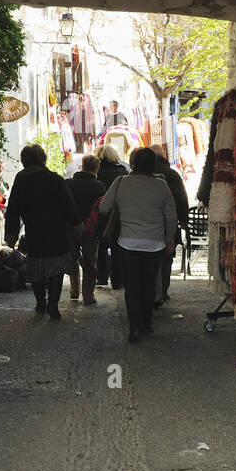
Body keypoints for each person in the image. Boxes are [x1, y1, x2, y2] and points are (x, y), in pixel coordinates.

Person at [98, 146, 177, 343]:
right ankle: (147, 323)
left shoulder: (120, 182)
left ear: (133, 163)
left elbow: (103, 207)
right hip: (154, 244)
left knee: (132, 287)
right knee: (149, 285)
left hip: (127, 243)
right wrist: (169, 238)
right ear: (153, 165)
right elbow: (171, 215)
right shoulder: (161, 186)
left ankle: (134, 327)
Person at [4, 144, 83, 320]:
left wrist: (11, 234)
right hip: (57, 232)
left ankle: (41, 303)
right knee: (56, 269)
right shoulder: (54, 179)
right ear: (43, 159)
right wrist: (77, 225)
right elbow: (68, 205)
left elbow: (13, 209)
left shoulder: (21, 180)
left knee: (36, 270)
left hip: (34, 232)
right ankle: (53, 305)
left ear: (24, 161)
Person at [65, 154, 105, 305]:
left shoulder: (68, 183)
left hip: (71, 227)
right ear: (96, 168)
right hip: (91, 229)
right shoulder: (99, 186)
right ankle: (88, 295)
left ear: (82, 166)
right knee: (90, 261)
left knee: (73, 259)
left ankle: (74, 290)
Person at [152, 145, 190, 306]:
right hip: (170, 223)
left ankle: (154, 292)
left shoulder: (149, 174)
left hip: (153, 223)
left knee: (153, 258)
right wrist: (183, 220)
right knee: (167, 257)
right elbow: (182, 198)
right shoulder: (173, 174)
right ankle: (164, 291)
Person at [95, 143, 129, 289]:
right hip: (118, 214)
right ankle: (117, 280)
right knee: (117, 246)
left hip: (101, 213)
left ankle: (102, 277)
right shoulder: (122, 172)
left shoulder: (97, 173)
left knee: (101, 245)